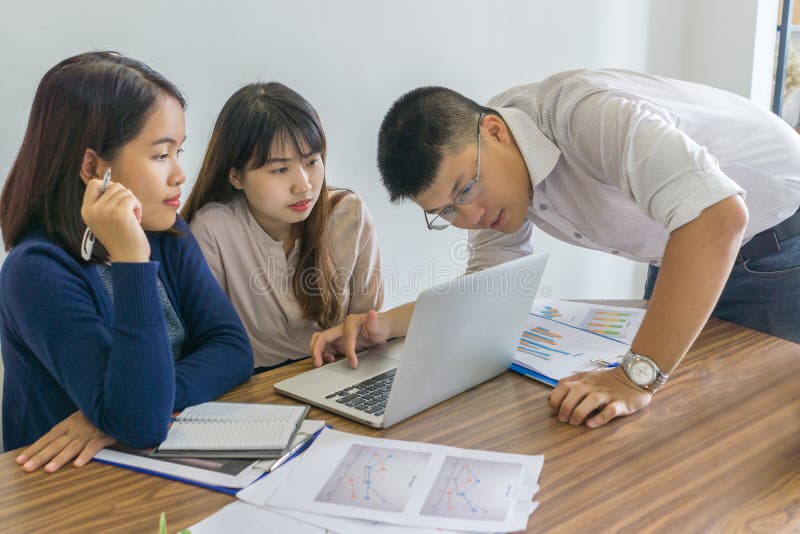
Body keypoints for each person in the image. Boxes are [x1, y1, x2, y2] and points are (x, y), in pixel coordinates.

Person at [310, 68, 800, 428]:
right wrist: (386, 326)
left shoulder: (588, 115)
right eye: (446, 213)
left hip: (779, 241)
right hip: (681, 245)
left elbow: (718, 217)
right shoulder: (490, 171)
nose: (470, 217)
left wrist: (635, 378)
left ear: (495, 131)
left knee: (756, 432)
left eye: (465, 190)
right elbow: (490, 288)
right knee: (676, 425)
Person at [0, 52, 254, 472]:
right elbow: (139, 422)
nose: (180, 175)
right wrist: (132, 260)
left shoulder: (166, 231)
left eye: (179, 151)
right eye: (160, 155)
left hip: (159, 464)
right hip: (69, 491)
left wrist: (123, 410)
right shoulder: (35, 271)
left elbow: (232, 350)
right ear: (92, 167)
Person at [182, 82, 383, 371]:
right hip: (256, 388)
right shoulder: (214, 229)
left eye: (312, 161)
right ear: (236, 176)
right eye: (279, 169)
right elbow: (210, 342)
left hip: (339, 373)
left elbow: (367, 325)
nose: (304, 185)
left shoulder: (348, 214)